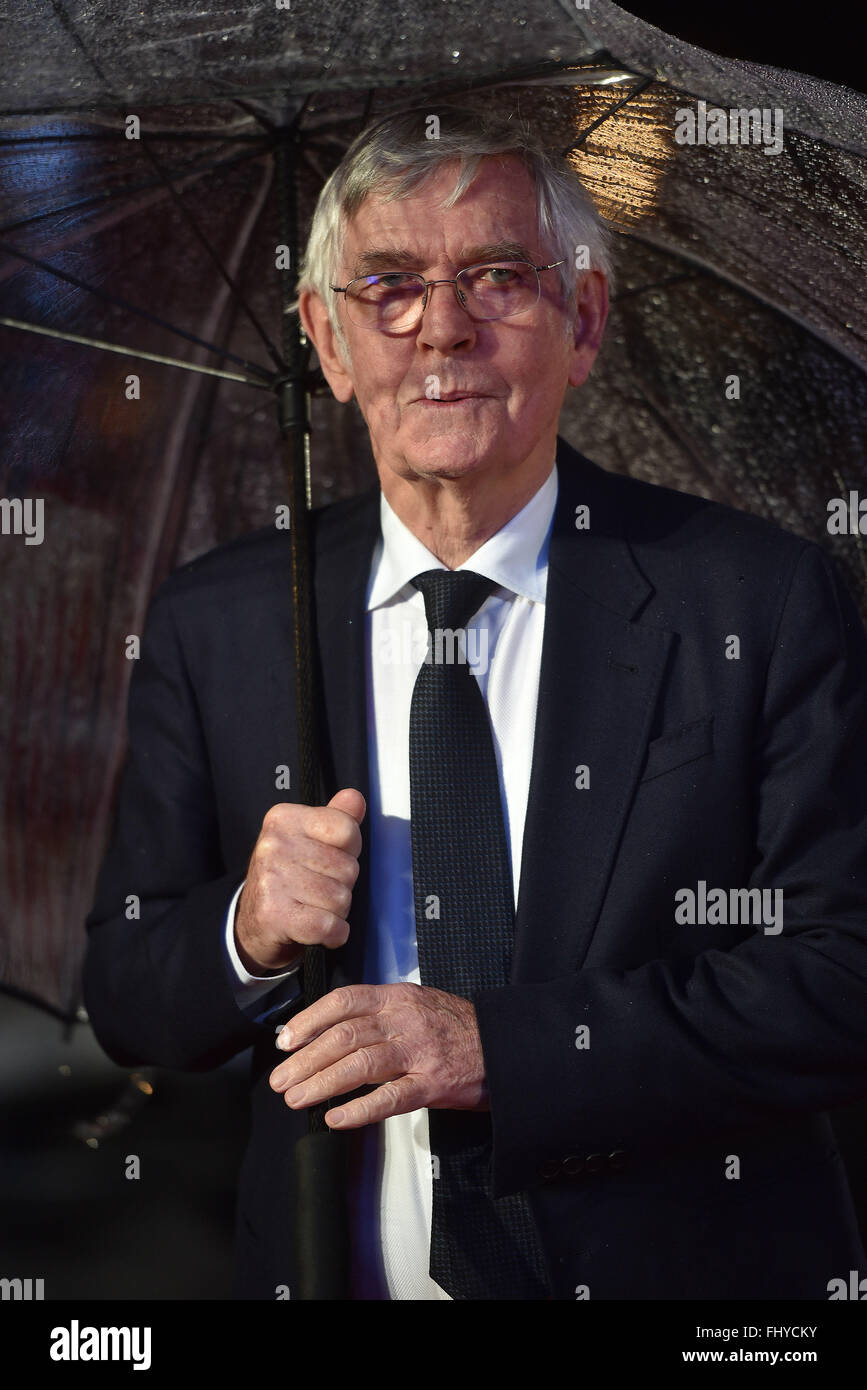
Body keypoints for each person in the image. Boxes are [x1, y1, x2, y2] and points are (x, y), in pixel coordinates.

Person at [83, 105, 867, 1300]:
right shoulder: (222, 617)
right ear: (328, 344)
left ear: (585, 319)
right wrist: (245, 926)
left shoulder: (757, 597)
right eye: (388, 286)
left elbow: (841, 976)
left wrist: (499, 1050)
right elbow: (133, 993)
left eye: (498, 277)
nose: (441, 328)